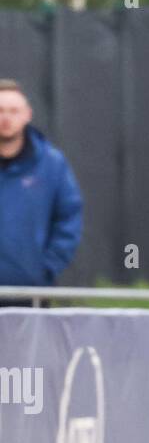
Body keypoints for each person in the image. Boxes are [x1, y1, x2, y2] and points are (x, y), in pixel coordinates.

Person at [0, 79, 83, 289]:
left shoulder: (51, 164)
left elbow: (69, 216)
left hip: (31, 293)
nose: (6, 118)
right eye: (1, 110)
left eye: (13, 111)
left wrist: (46, 269)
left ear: (27, 114)